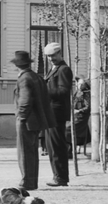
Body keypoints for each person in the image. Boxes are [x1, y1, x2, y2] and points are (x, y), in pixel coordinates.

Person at [11, 49, 55, 191]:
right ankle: (31, 181)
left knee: (24, 151)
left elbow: (25, 99)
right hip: (36, 120)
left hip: (26, 120)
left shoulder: (24, 78)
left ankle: (27, 182)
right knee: (31, 151)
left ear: (17, 65)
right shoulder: (36, 77)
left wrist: (21, 117)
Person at [43, 42, 72, 186]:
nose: (51, 58)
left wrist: (44, 91)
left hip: (57, 113)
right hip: (51, 113)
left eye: (53, 55)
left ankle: (60, 178)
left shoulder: (64, 70)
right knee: (51, 146)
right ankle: (58, 176)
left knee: (56, 146)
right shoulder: (54, 69)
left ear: (60, 53)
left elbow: (64, 91)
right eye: (48, 56)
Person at [72, 78, 91, 158]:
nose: (79, 85)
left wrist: (79, 111)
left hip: (81, 116)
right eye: (78, 84)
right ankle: (73, 147)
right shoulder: (76, 92)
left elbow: (87, 107)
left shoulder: (86, 94)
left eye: (81, 84)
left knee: (70, 129)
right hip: (74, 114)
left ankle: (76, 147)